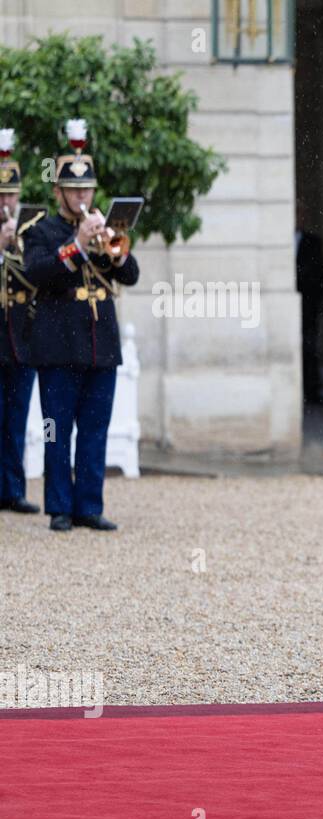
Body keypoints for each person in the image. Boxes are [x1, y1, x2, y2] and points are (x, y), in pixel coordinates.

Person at [23, 119, 139, 532]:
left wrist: (115, 251)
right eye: (73, 190)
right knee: (57, 431)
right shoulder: (41, 231)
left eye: (86, 189)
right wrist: (77, 245)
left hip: (100, 345)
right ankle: (59, 507)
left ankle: (89, 505)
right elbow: (38, 272)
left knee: (94, 429)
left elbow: (131, 275)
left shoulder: (106, 229)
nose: (81, 196)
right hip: (58, 346)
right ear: (58, 192)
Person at [0, 128, 40, 515]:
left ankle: (12, 490)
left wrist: (16, 246)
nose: (6, 203)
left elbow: (36, 279)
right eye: (0, 196)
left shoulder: (31, 233)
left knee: (17, 419)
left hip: (20, 340)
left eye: (10, 195)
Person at [296, 199, 323, 405]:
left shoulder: (313, 241)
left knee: (308, 347)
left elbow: (319, 274)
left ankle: (311, 391)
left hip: (307, 303)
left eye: (300, 213)